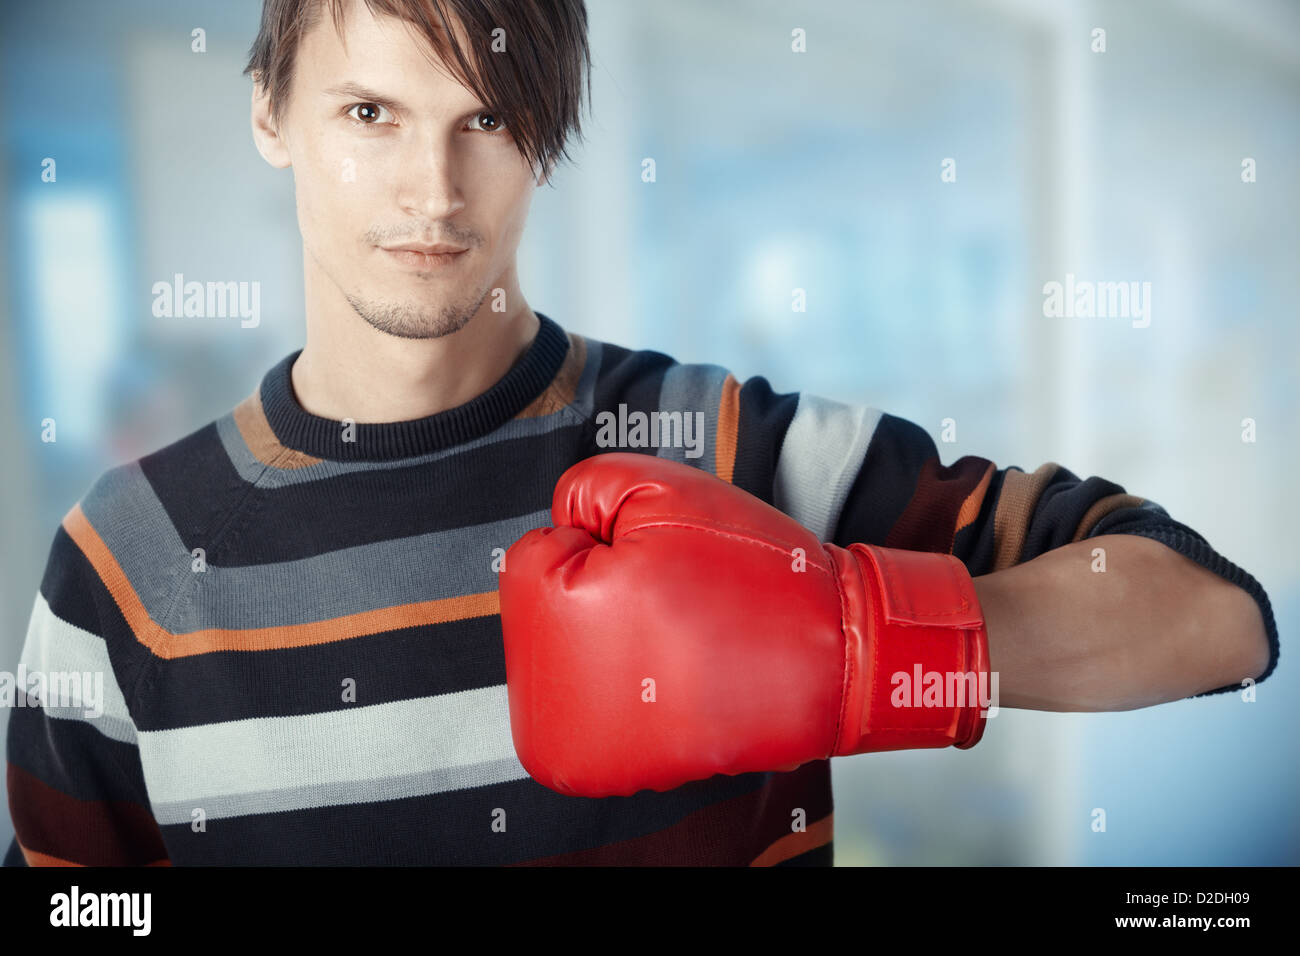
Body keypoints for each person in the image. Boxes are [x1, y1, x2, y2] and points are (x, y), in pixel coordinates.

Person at [4, 0, 1276, 866]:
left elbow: (1217, 615)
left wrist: (849, 646)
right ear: (271, 115)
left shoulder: (727, 451)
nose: (433, 191)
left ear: (546, 138)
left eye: (486, 119)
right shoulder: (125, 560)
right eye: (370, 114)